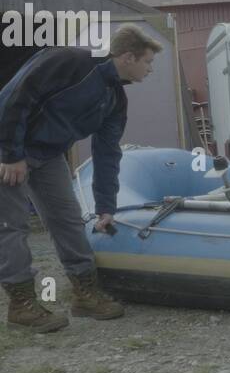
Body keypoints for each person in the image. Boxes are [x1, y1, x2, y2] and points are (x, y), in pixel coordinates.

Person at [0, 24, 162, 332]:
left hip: (48, 155)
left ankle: (85, 294)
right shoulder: (69, 62)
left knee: (68, 219)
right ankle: (21, 307)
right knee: (11, 225)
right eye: (148, 62)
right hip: (7, 146)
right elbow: (16, 98)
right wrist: (10, 154)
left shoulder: (115, 100)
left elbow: (107, 154)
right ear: (128, 57)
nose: (151, 69)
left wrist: (105, 205)